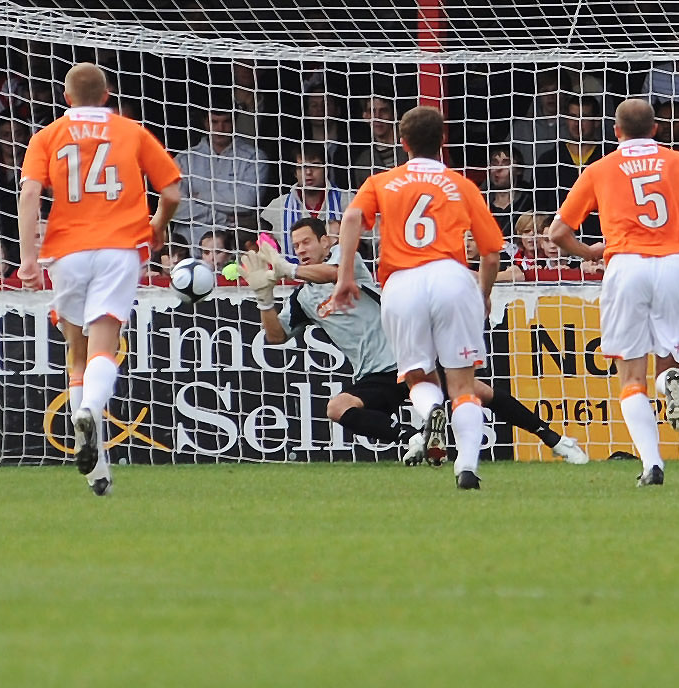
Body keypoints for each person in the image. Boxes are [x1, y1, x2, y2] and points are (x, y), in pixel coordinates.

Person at [243, 217, 587, 464]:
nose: (300, 250)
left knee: (477, 392)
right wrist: (264, 298)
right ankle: (412, 438)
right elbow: (275, 337)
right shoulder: (303, 299)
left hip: (410, 353)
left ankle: (554, 439)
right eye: (295, 246)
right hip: (374, 374)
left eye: (306, 242)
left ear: (326, 242)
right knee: (337, 407)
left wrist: (286, 269)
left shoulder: (349, 263)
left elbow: (336, 275)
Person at [17, 62, 182, 496]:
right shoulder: (131, 131)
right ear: (107, 95)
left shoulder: (46, 136)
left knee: (77, 351)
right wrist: (157, 226)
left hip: (66, 251)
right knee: (105, 345)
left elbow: (30, 193)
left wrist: (29, 259)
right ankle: (90, 410)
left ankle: (97, 471)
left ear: (67, 98)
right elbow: (171, 192)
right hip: (118, 248)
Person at [547, 98, 679, 487]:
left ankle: (652, 465)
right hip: (676, 266)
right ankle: (672, 383)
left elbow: (557, 233)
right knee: (672, 364)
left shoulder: (599, 168)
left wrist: (591, 252)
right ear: (656, 129)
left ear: (616, 132)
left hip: (626, 265)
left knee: (631, 375)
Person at [331, 105, 506, 491]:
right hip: (452, 277)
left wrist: (345, 275)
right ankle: (468, 468)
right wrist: (483, 295)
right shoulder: (461, 184)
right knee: (463, 384)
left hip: (402, 281)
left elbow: (350, 219)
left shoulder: (382, 181)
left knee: (416, 377)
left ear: (403, 142)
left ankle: (431, 414)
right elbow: (491, 252)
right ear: (443, 140)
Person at [171, 105, 268, 247]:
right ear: (205, 123)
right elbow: (174, 207)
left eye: (226, 122)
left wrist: (200, 196)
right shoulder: (184, 159)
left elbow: (247, 201)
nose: (220, 128)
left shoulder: (254, 157)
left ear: (234, 122)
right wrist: (222, 218)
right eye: (214, 122)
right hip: (188, 246)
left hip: (233, 245)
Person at [260, 145, 350, 256]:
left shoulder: (348, 201)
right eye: (302, 167)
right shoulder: (276, 207)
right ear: (294, 172)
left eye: (315, 166)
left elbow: (373, 240)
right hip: (292, 273)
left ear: (326, 169)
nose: (308, 172)